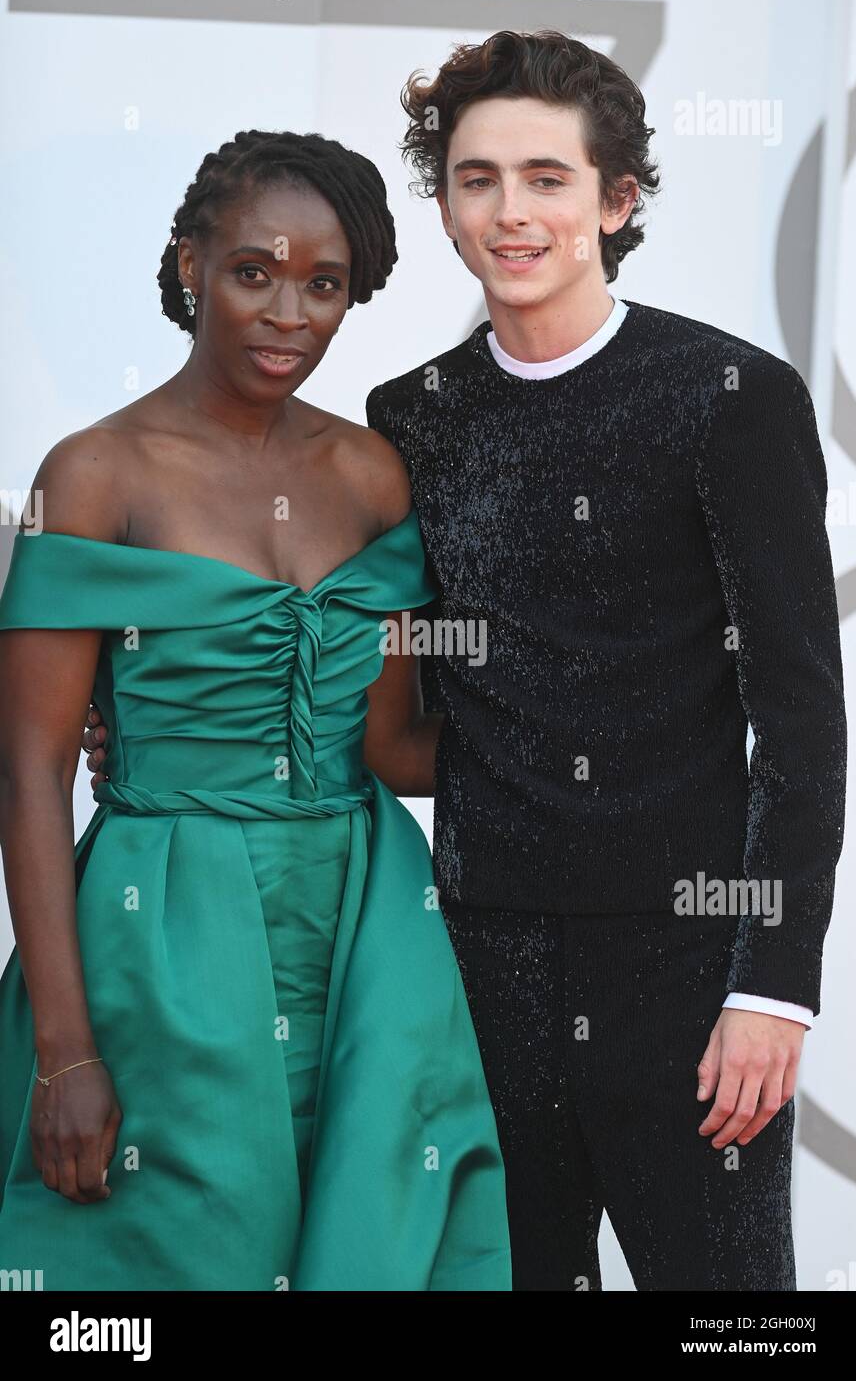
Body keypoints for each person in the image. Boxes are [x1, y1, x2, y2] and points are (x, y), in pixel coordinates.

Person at [81, 33, 848, 1291]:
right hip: (473, 963)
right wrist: (158, 719)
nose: (510, 211)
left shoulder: (727, 396)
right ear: (443, 204)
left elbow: (801, 723)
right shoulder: (408, 420)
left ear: (615, 200)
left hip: (688, 965)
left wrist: (773, 987)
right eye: (477, 178)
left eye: (547, 178)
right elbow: (371, 685)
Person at [0, 128, 512, 1292]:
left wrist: (599, 730)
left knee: (377, 1230)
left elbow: (389, 744)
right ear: (189, 264)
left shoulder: (374, 472)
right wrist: (63, 1051)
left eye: (322, 286)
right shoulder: (93, 473)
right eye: (253, 273)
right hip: (163, 922)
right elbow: (29, 771)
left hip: (366, 924)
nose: (288, 312)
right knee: (172, 1252)